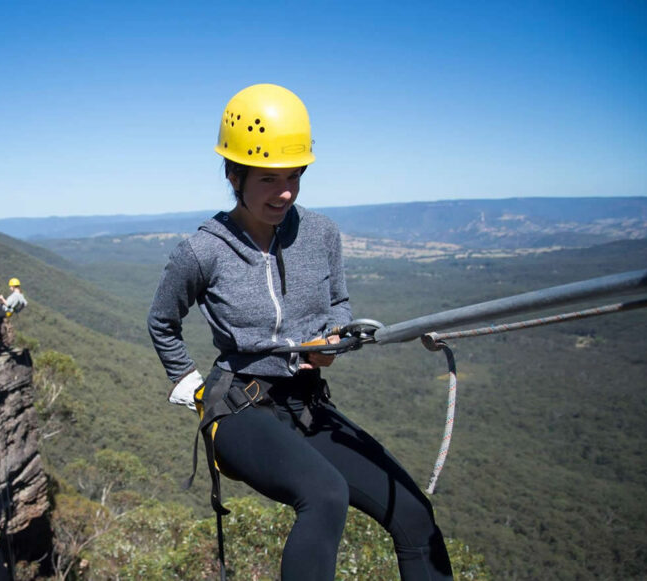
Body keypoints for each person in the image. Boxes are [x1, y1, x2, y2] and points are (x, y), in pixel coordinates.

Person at [147, 84, 453, 581]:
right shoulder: (202, 251)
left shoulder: (322, 234)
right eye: (269, 178)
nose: (285, 192)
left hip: (307, 402)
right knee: (325, 494)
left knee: (414, 514)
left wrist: (332, 340)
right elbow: (162, 321)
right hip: (239, 406)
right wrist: (191, 385)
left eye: (294, 176)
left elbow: (338, 303)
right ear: (233, 174)